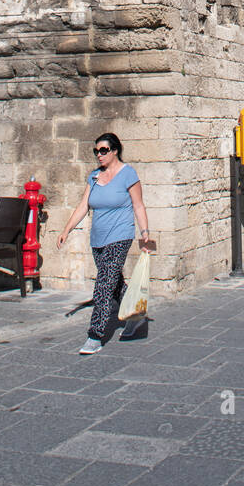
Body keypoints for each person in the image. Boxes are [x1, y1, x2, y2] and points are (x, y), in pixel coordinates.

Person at [57, 133, 153, 355]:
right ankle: (136, 315)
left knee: (102, 286)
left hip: (120, 236)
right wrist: (66, 229)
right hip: (98, 240)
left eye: (103, 150)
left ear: (115, 150)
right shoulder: (94, 177)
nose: (99, 155)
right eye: (96, 151)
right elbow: (83, 206)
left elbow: (138, 205)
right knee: (114, 283)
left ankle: (95, 335)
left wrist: (145, 232)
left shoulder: (128, 174)